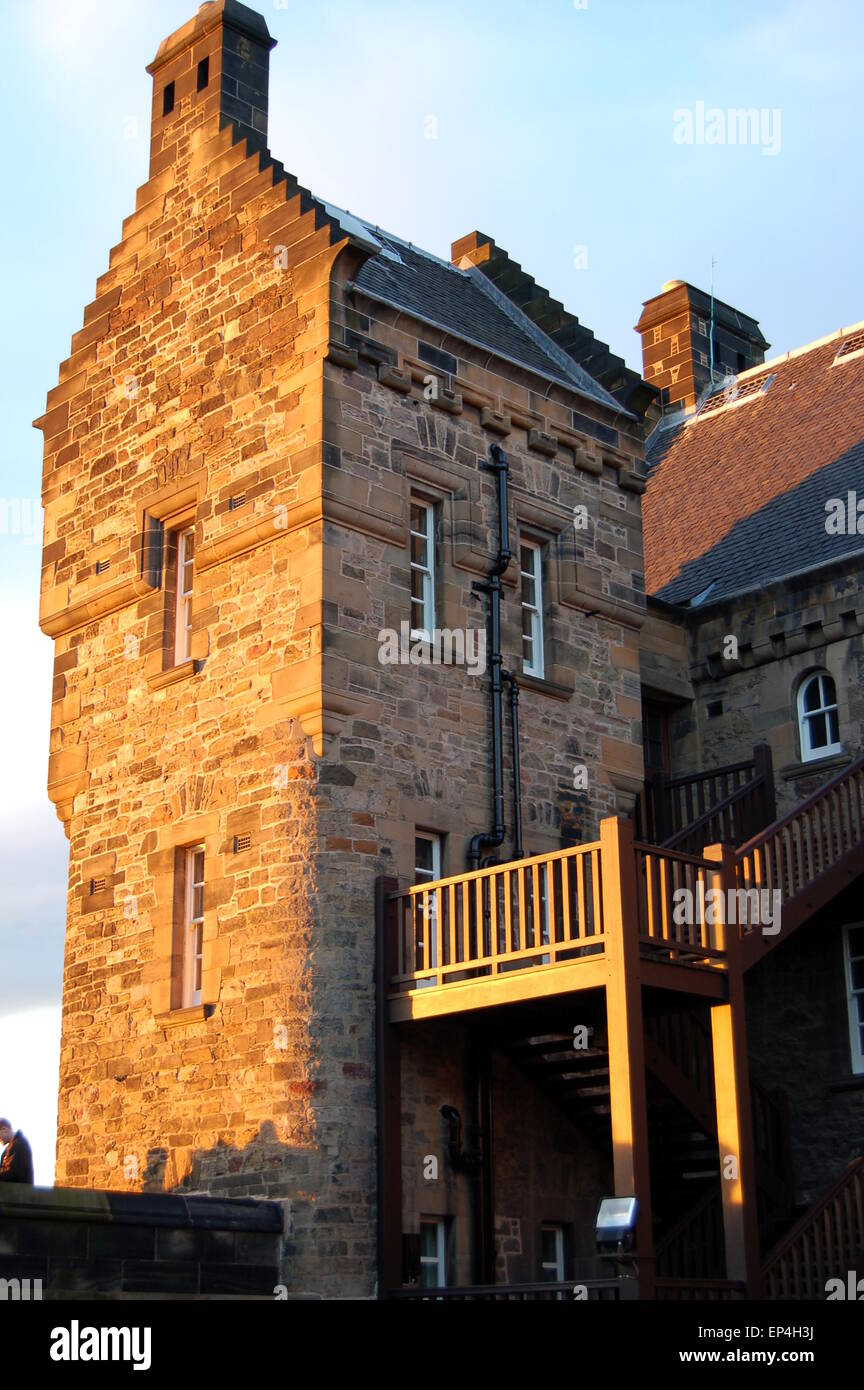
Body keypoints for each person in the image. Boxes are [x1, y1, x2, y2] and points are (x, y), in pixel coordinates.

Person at [0, 1119, 34, 1184]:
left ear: (4, 1129)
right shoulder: (9, 1148)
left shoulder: (19, 1144)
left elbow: (13, 1172)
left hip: (18, 1192)